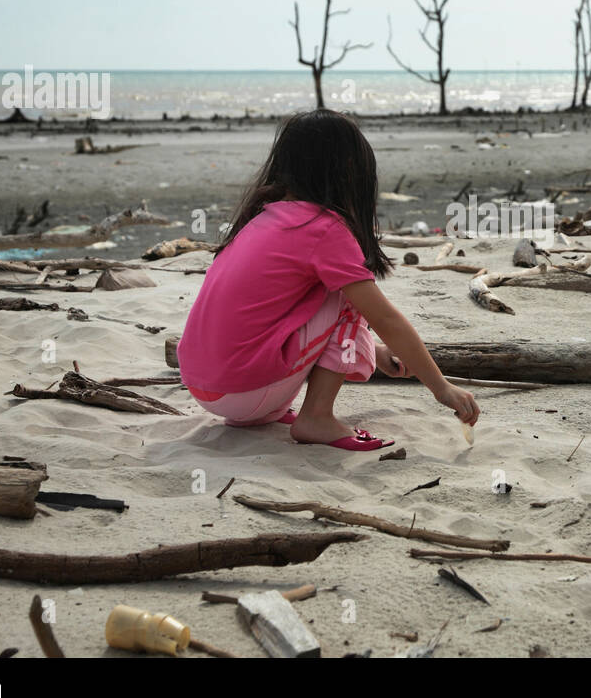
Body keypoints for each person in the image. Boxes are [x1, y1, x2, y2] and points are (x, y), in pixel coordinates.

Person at [177, 109, 480, 451]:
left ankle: (278, 408)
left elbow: (273, 314)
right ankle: (316, 416)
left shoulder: (264, 215)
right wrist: (442, 387)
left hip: (207, 385)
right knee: (349, 297)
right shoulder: (322, 228)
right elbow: (385, 318)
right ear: (349, 171)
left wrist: (377, 353)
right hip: (242, 391)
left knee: (334, 288)